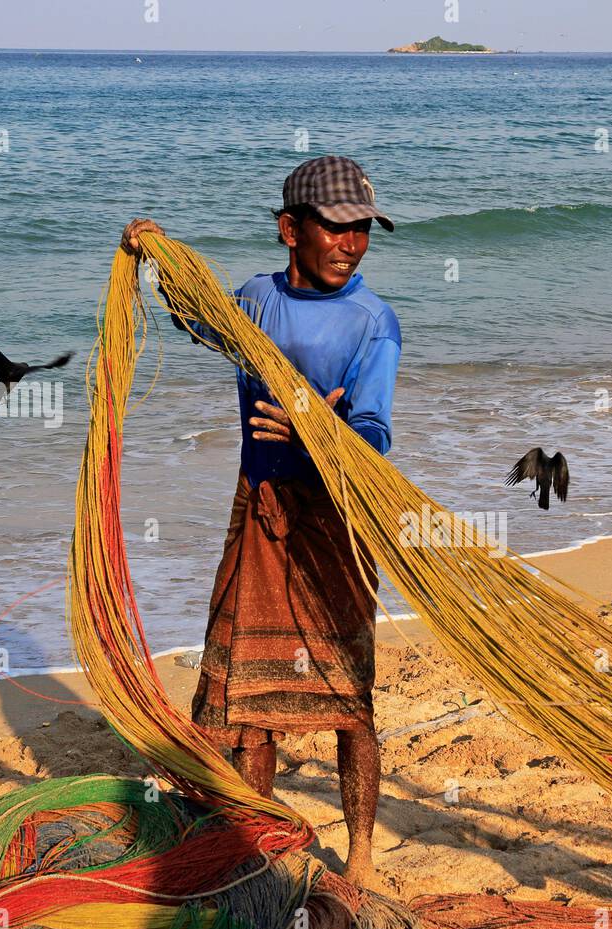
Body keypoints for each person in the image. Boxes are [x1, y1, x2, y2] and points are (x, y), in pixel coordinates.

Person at [120, 156, 400, 890]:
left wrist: (316, 423)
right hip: (260, 512)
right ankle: (263, 842)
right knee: (250, 705)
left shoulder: (373, 322)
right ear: (290, 230)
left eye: (362, 230)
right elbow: (196, 318)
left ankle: (362, 851)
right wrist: (157, 256)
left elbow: (373, 432)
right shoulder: (254, 302)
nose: (351, 243)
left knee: (349, 699)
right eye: (336, 228)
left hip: (337, 523)